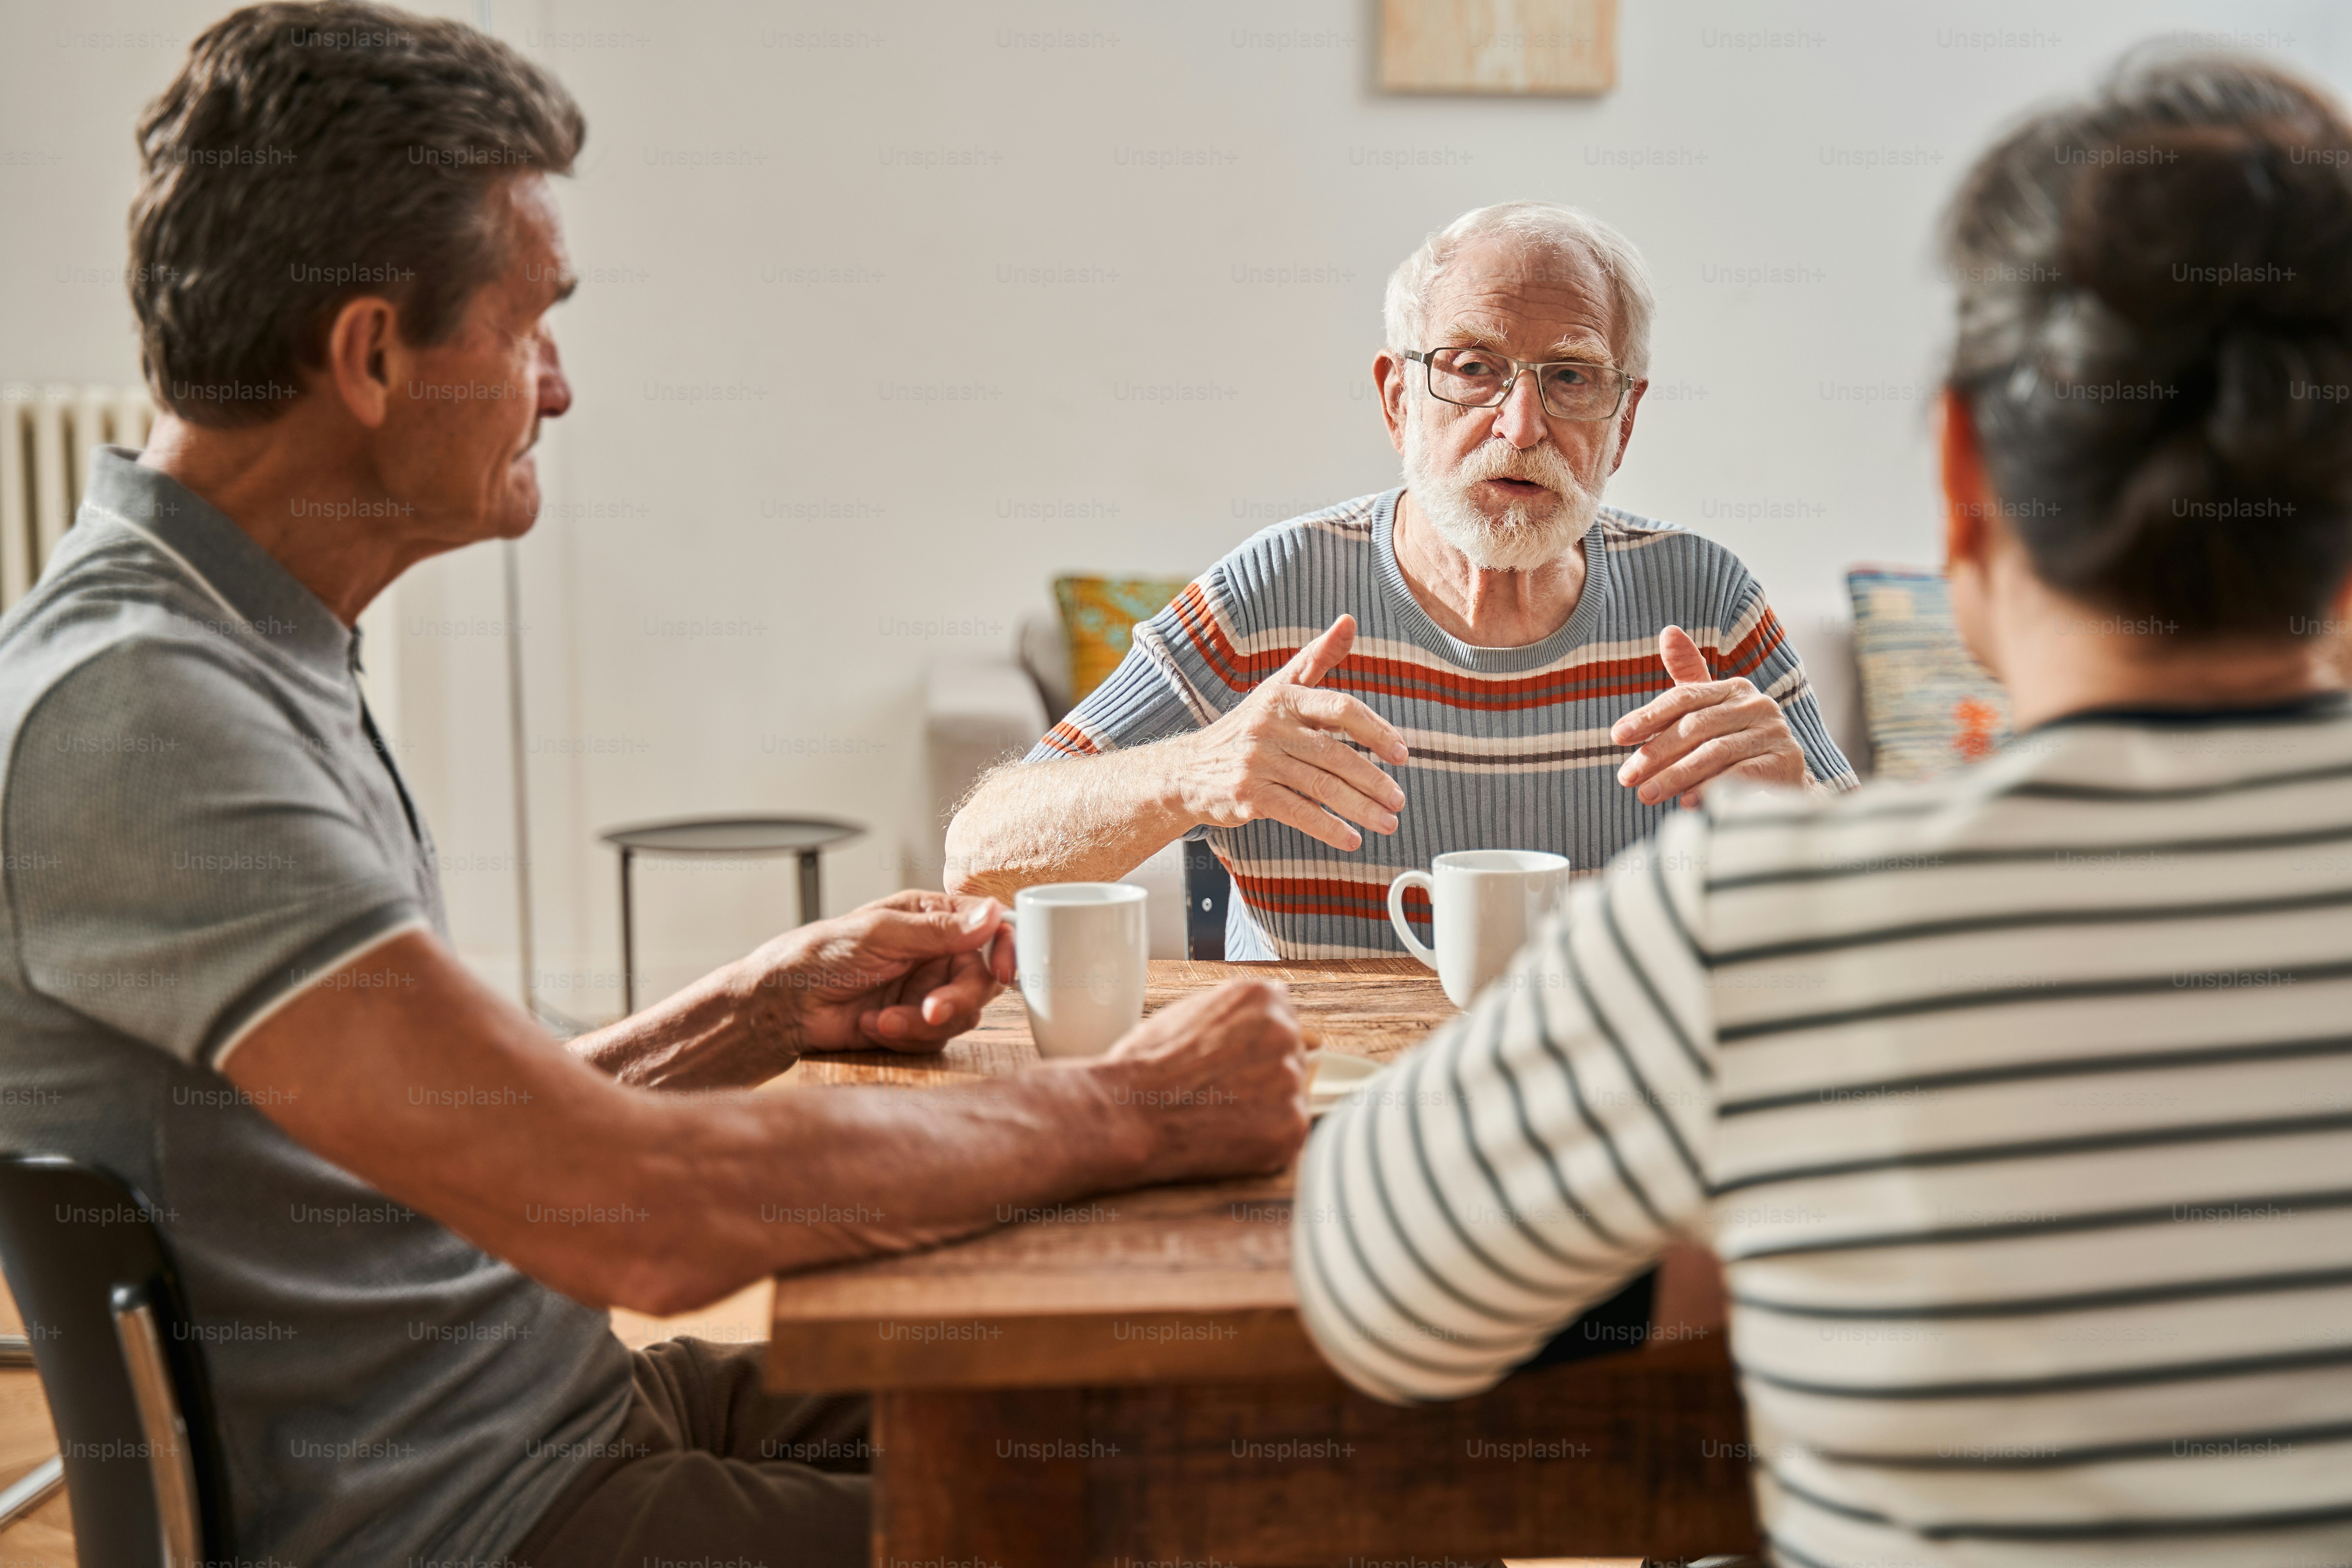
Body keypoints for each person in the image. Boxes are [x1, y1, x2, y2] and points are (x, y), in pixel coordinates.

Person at [0, 6, 1306, 1566]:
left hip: (560, 1425)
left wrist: (752, 1010)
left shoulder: (243, 641)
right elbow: (634, 1214)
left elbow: (478, 1142)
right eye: (530, 322)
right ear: (366, 353)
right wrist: (1130, 1111)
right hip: (478, 1523)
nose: (554, 388)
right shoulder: (144, 707)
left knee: (1248, 1443)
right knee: (1259, 1528)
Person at [1292, 51, 2352, 1567]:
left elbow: (1375, 1292)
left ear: (1963, 473)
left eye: (1568, 377)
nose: (1520, 416)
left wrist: (1756, 1208)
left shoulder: (1757, 915)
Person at [944, 201, 1855, 957]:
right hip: (1322, 1104)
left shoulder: (1706, 599)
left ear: (1624, 420)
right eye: (1473, 368)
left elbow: (1888, 901)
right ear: (1396, 398)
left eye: (1571, 375)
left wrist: (1803, 813)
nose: (1521, 423)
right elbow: (979, 857)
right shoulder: (1273, 590)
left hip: (1615, 1111)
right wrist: (1193, 771)